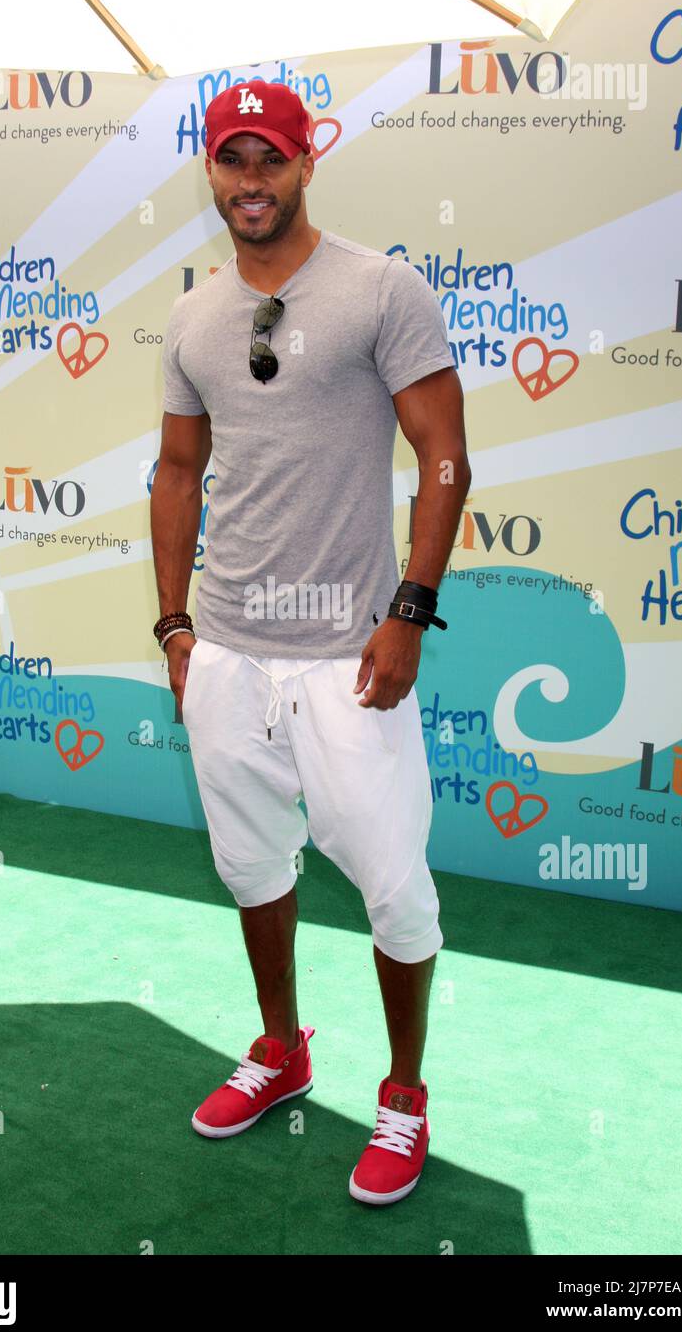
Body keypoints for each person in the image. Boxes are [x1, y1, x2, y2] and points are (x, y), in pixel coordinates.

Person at [150, 80, 469, 1206]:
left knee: (390, 885)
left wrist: (409, 608)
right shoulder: (191, 316)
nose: (248, 181)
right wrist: (177, 625)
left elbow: (443, 457)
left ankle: (403, 1093)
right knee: (248, 863)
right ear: (211, 172)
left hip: (348, 652)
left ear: (303, 164)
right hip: (228, 651)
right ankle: (282, 1048)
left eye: (268, 159)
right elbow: (178, 473)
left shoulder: (381, 288)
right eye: (230, 161)